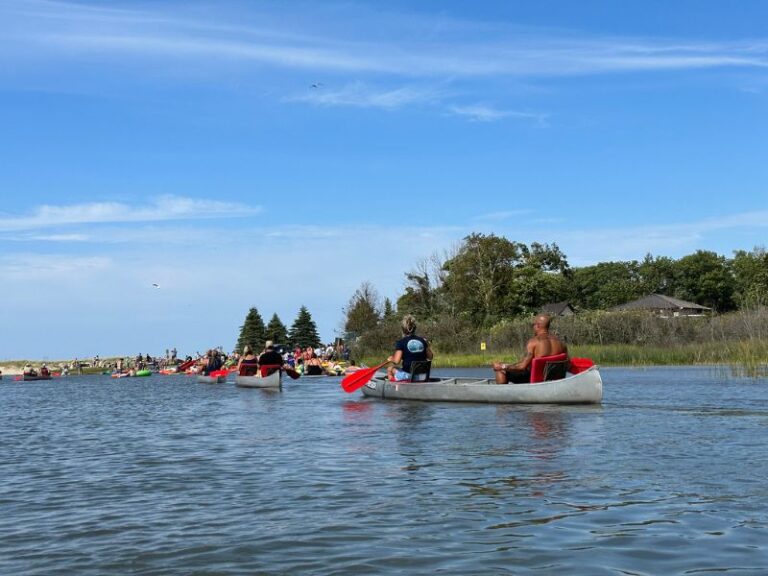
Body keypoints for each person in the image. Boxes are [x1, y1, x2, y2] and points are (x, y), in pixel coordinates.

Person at [492, 314, 568, 384]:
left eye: (533, 325)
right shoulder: (561, 343)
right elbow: (568, 364)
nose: (533, 327)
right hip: (553, 380)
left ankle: (503, 396)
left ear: (538, 325)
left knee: (500, 370)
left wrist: (502, 366)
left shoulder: (534, 342)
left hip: (534, 380)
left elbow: (522, 367)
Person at [387, 314, 433, 382]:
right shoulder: (423, 341)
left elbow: (396, 361)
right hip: (423, 376)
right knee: (399, 369)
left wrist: (391, 359)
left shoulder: (401, 342)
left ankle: (393, 386)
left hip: (408, 376)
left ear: (403, 329)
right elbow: (430, 357)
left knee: (390, 369)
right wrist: (427, 345)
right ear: (414, 328)